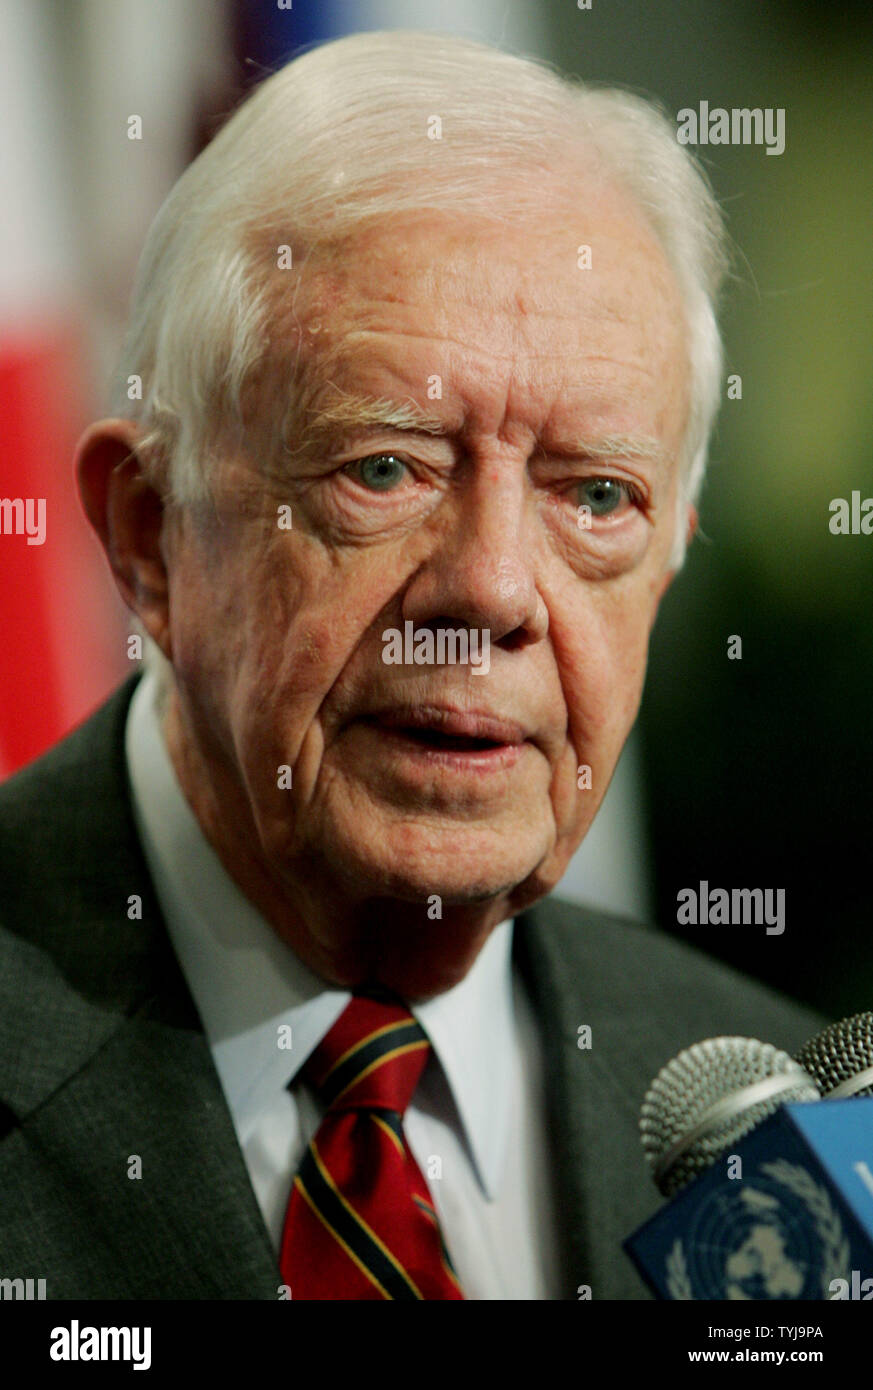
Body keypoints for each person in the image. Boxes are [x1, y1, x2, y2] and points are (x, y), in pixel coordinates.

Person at [0, 30, 824, 1301]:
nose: (491, 590)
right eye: (383, 468)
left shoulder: (777, 1136)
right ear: (150, 537)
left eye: (596, 495)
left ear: (665, 566)